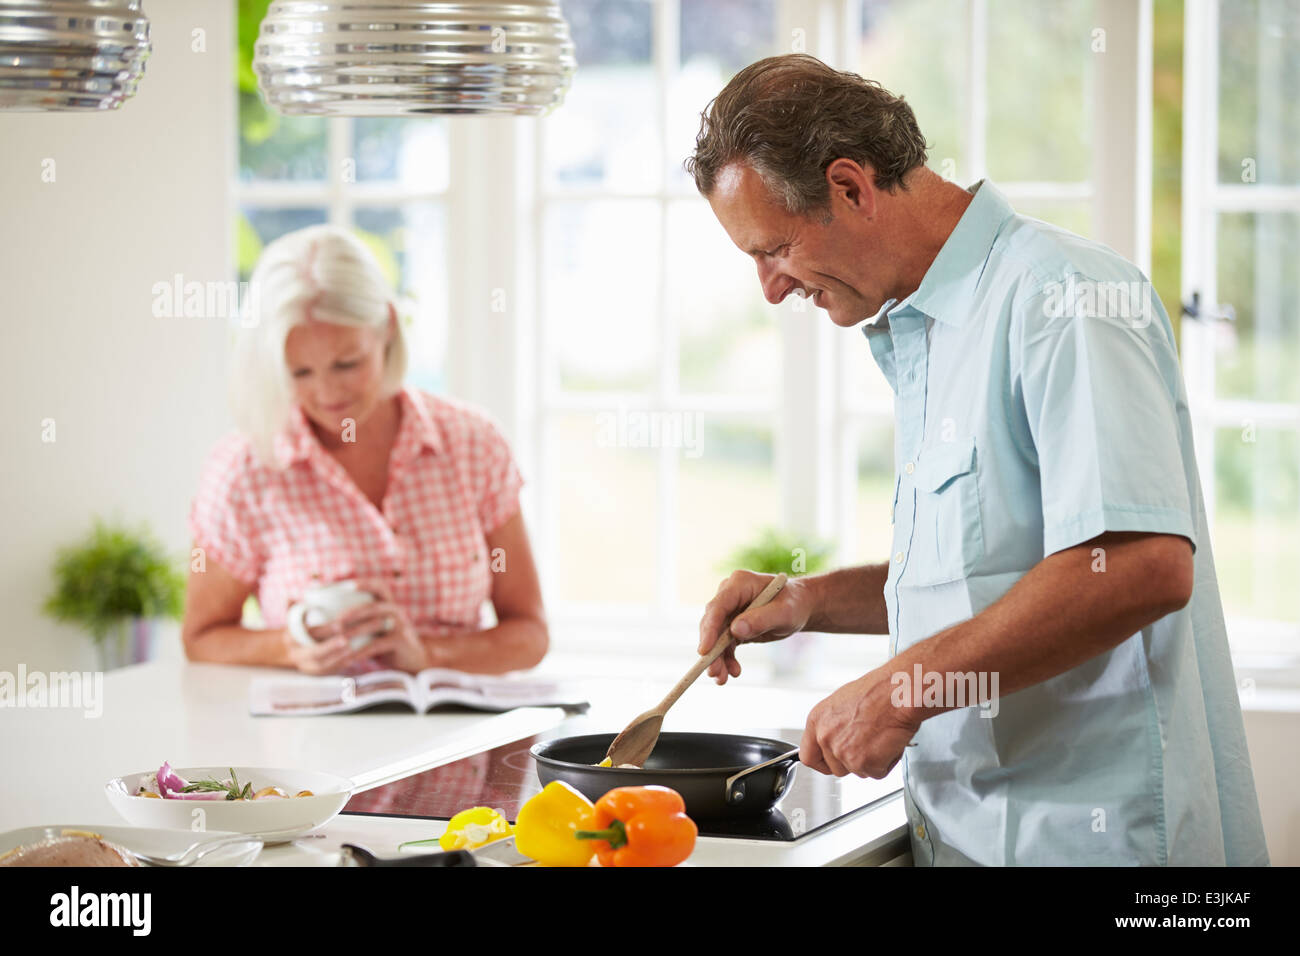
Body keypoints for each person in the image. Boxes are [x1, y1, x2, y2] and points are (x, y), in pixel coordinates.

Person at [687, 54, 1269, 866]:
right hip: (965, 837)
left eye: (774, 248)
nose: (771, 290)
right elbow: (993, 571)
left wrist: (903, 687)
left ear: (850, 187)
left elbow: (1140, 566)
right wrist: (808, 600)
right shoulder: (926, 327)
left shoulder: (1061, 297)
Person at [182, 224, 547, 676]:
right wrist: (288, 648)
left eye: (346, 363)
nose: (327, 392)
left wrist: (428, 654)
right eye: (300, 372)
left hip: (455, 734)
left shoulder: (472, 443)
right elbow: (202, 637)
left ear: (388, 328)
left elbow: (529, 633)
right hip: (313, 738)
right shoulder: (246, 468)